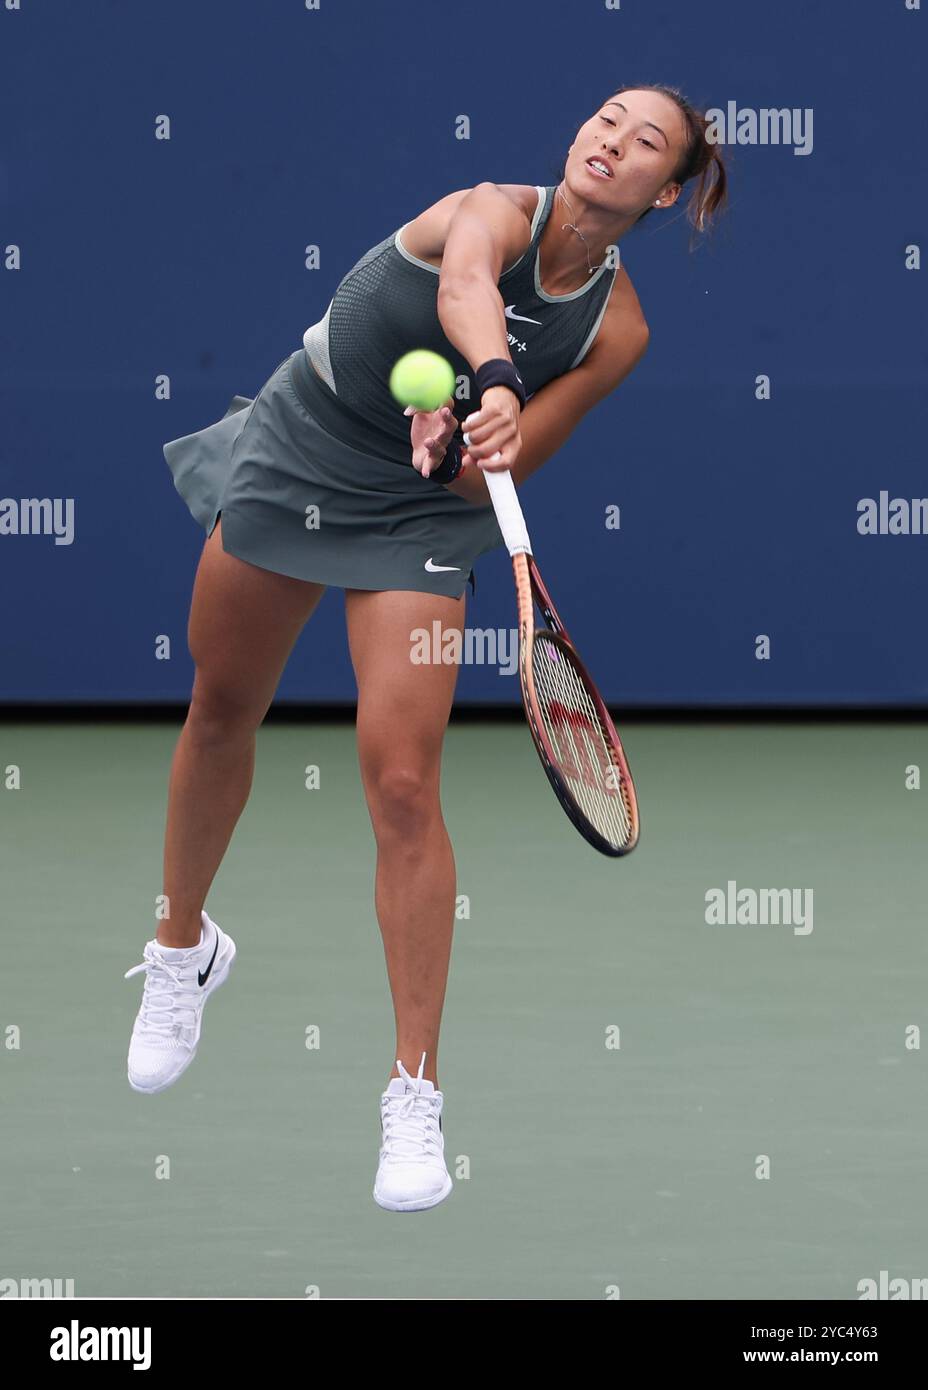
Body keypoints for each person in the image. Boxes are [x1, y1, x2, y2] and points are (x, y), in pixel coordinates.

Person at [124, 83, 729, 1213]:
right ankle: (181, 948)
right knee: (220, 706)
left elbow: (502, 463)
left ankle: (413, 1093)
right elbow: (463, 289)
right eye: (605, 119)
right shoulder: (488, 209)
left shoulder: (618, 328)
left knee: (403, 781)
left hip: (418, 515)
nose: (612, 142)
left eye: (646, 142)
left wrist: (467, 436)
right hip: (301, 444)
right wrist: (492, 375)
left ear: (667, 191)